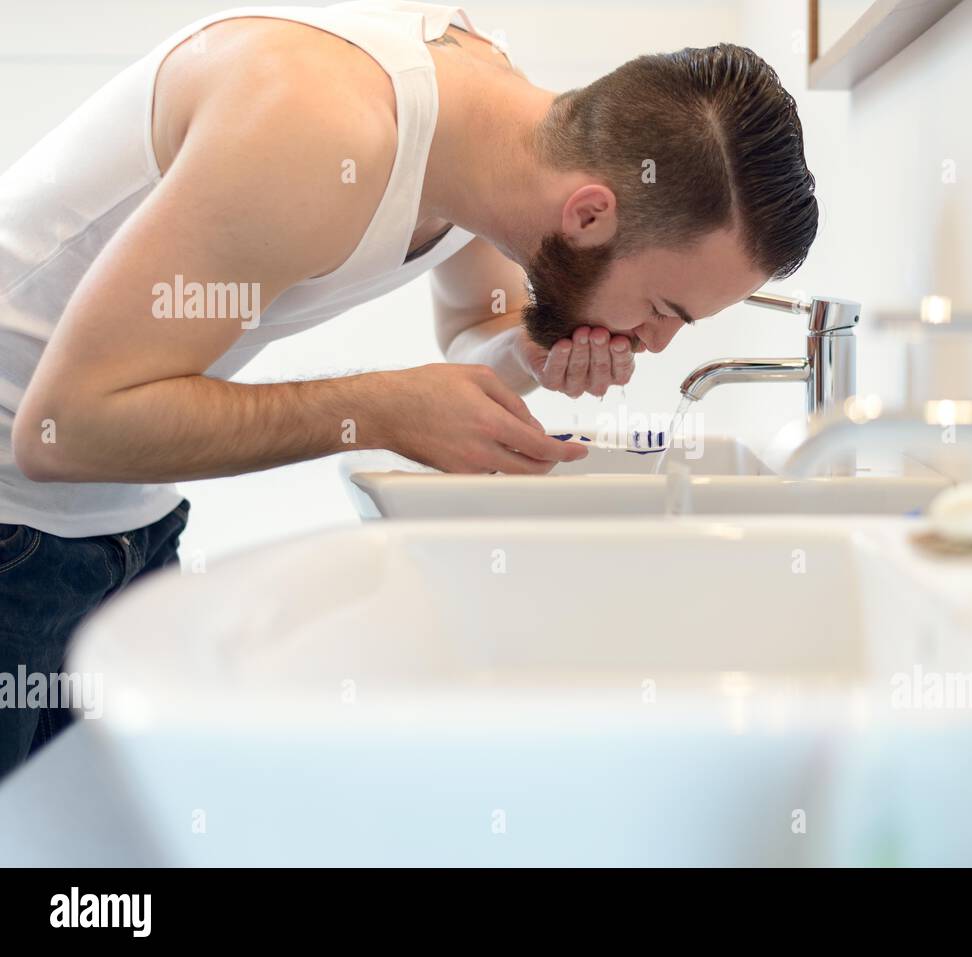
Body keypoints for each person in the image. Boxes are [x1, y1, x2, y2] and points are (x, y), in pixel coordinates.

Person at [0, 1, 819, 775]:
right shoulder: (317, 130)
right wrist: (378, 409)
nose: (658, 343)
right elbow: (62, 429)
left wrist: (531, 350)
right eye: (663, 308)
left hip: (124, 521)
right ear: (590, 214)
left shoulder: (491, 123)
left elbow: (473, 319)